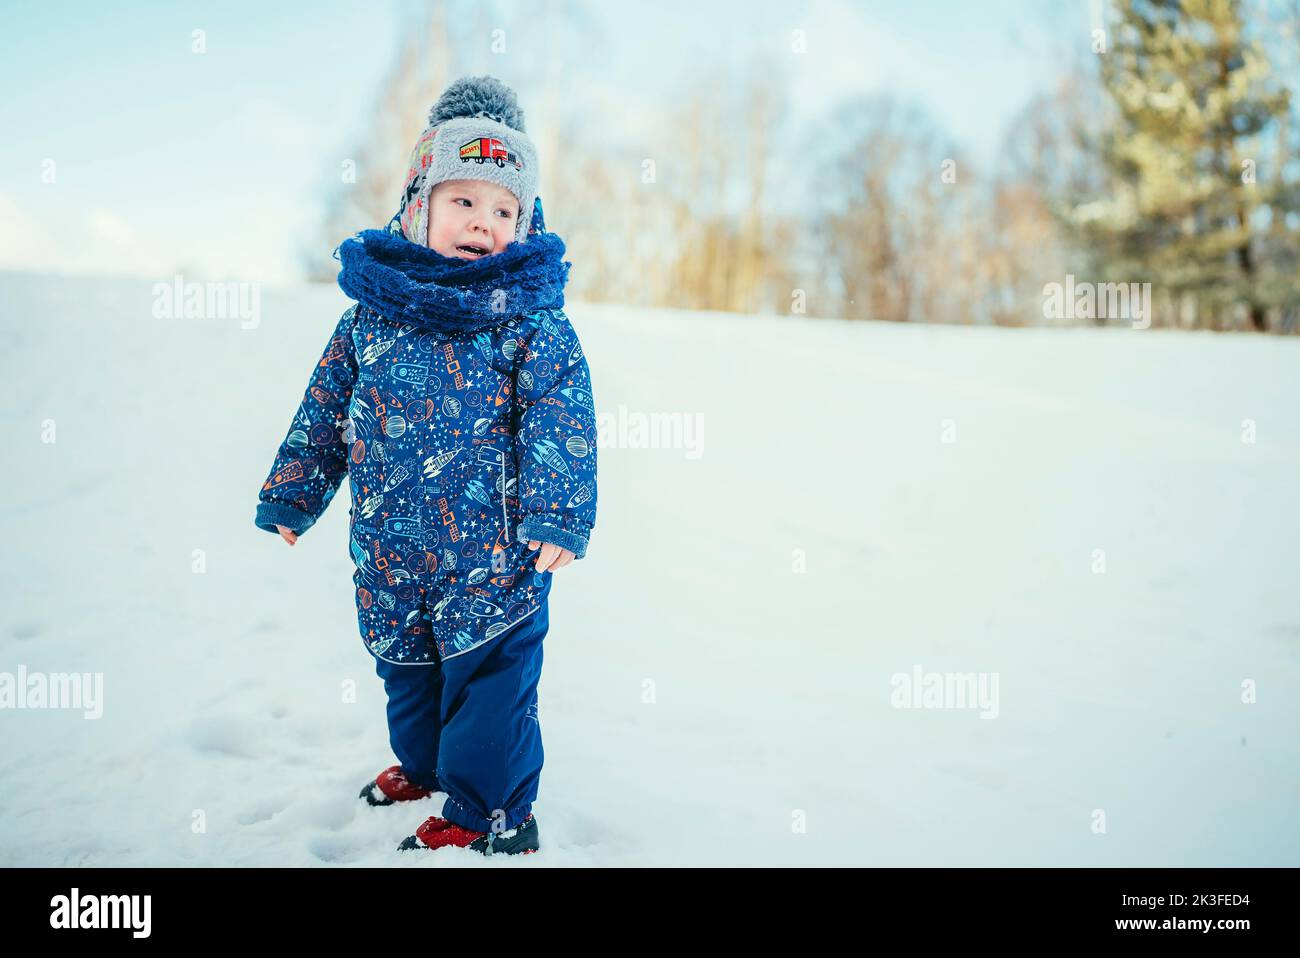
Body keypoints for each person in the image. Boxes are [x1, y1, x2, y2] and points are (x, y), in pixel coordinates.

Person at [253, 75, 597, 856]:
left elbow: (562, 419)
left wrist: (559, 515)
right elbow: (324, 412)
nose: (484, 223)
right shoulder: (369, 318)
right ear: (420, 204)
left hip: (494, 557)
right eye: (464, 202)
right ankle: (425, 766)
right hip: (390, 553)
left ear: (527, 218)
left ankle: (492, 814)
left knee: (490, 691)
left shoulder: (530, 324)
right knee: (406, 678)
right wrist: (294, 491)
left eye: (505, 209)